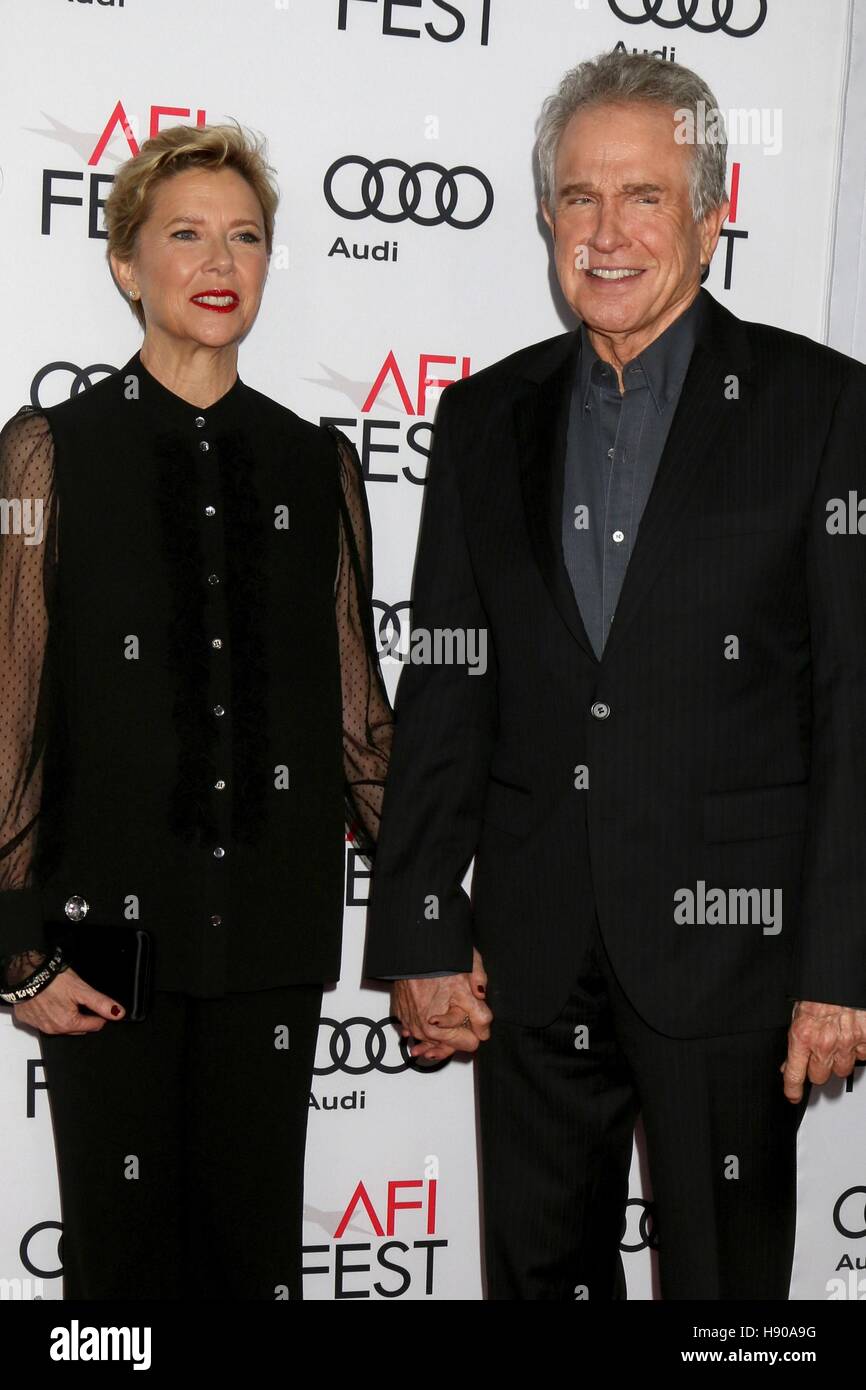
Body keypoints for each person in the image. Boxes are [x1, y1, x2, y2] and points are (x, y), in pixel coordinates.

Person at [363, 50, 866, 1300]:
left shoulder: (820, 407)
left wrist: (838, 969)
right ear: (544, 217)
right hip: (528, 956)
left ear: (710, 208)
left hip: (733, 957)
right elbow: (445, 680)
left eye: (642, 195)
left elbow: (856, 701)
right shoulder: (483, 419)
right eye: (578, 199)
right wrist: (423, 918)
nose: (606, 232)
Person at [0, 122, 393, 1300]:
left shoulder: (312, 462)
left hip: (272, 937)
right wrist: (17, 951)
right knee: (116, 1279)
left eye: (245, 235)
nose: (218, 259)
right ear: (126, 264)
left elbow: (353, 718)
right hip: (101, 939)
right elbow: (6, 717)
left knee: (253, 1263)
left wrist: (431, 903)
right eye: (184, 233)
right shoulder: (49, 455)